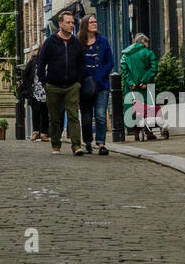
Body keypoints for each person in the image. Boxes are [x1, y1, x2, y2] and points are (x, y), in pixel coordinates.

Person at [35, 10, 87, 156]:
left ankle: (76, 145)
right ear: (60, 24)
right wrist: (44, 82)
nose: (71, 25)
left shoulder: (76, 42)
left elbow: (81, 64)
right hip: (53, 85)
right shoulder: (50, 42)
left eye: (72, 22)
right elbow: (41, 63)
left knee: (73, 115)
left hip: (71, 85)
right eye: (68, 22)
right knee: (55, 117)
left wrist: (78, 81)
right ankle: (56, 145)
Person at [78, 15, 115, 155]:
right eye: (91, 22)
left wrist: (100, 74)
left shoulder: (103, 42)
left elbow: (110, 62)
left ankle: (101, 144)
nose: (94, 24)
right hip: (85, 86)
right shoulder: (78, 43)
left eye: (95, 21)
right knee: (86, 117)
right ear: (85, 25)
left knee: (100, 115)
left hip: (101, 85)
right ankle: (88, 142)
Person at [120, 33, 159, 142]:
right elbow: (154, 68)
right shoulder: (148, 53)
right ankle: (149, 132)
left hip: (132, 87)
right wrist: (145, 81)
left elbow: (124, 70)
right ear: (144, 43)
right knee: (148, 108)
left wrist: (130, 82)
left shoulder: (126, 55)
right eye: (147, 43)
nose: (148, 45)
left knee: (135, 109)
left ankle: (136, 133)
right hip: (146, 87)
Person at [18, 51, 49, 141]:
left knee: (45, 113)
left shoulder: (50, 61)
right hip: (35, 91)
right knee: (35, 112)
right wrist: (28, 86)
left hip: (46, 91)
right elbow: (26, 75)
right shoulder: (34, 61)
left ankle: (44, 134)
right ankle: (35, 132)